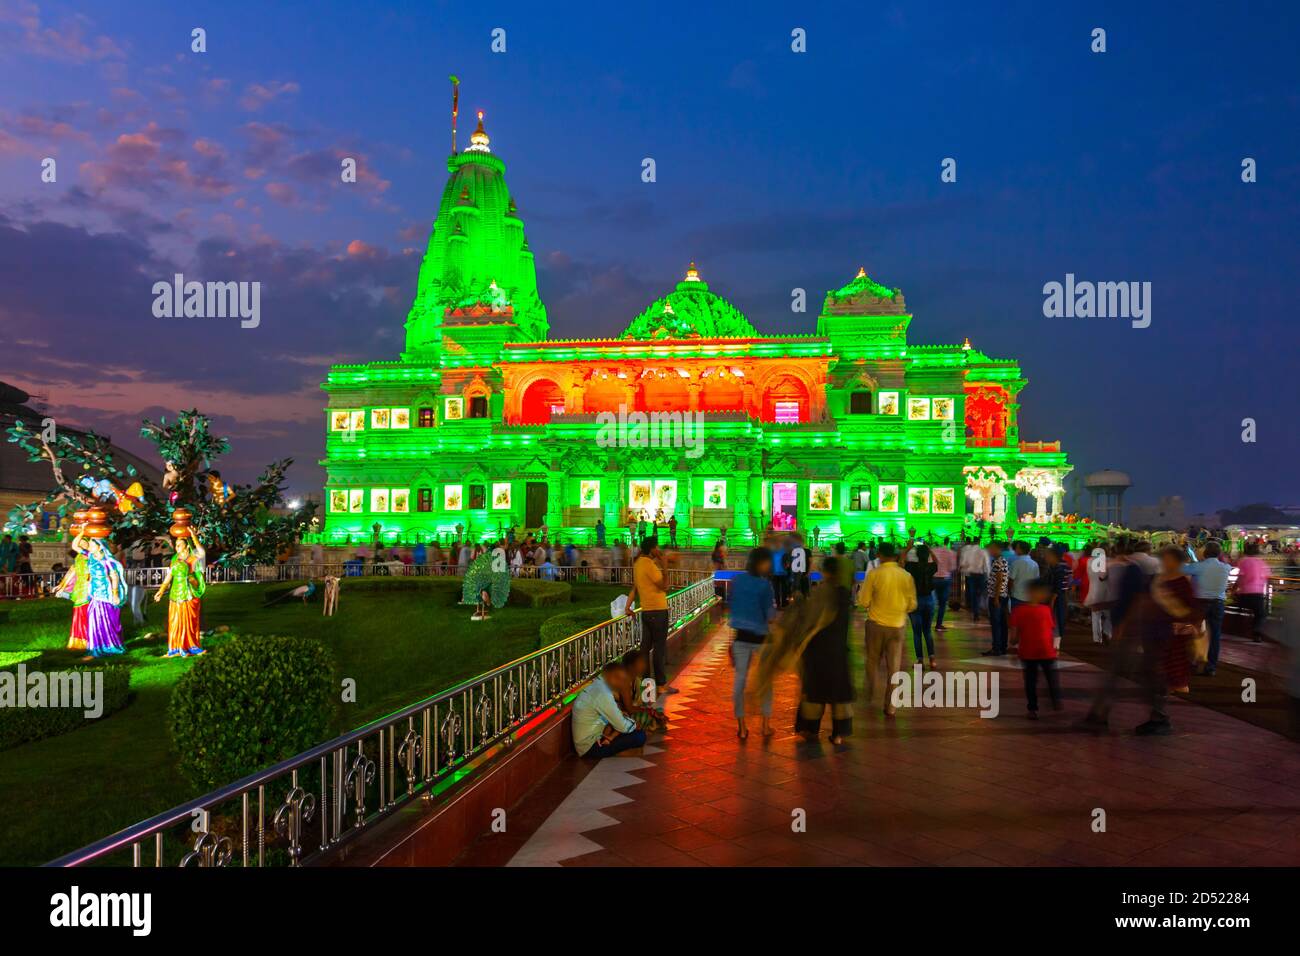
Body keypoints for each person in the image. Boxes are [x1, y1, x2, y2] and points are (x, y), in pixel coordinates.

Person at [791, 557, 854, 743]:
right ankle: (839, 734)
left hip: (818, 651)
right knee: (838, 694)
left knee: (814, 693)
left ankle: (809, 729)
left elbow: (809, 622)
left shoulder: (821, 592)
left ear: (826, 572)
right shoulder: (845, 594)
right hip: (838, 651)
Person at [857, 542, 917, 718]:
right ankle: (890, 706)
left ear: (881, 556)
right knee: (894, 667)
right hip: (897, 626)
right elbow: (913, 604)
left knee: (872, 661)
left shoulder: (875, 574)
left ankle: (870, 692)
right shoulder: (906, 576)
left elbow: (864, 601)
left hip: (876, 624)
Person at [728, 547, 776, 739]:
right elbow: (770, 616)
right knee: (765, 682)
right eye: (767, 562)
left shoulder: (736, 581)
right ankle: (765, 725)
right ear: (760, 563)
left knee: (739, 681)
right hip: (761, 639)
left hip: (740, 637)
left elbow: (732, 608)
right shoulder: (765, 586)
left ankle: (741, 727)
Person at [1009, 578, 1062, 718]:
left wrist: (1013, 646)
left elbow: (1014, 636)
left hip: (1030, 652)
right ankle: (1052, 701)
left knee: (1031, 681)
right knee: (1049, 678)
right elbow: (1051, 630)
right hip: (1043, 652)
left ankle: (1033, 707)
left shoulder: (1019, 611)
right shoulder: (1046, 610)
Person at [627, 537, 674, 695]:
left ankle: (647, 686)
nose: (659, 549)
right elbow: (664, 586)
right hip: (658, 611)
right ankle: (661, 684)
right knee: (659, 649)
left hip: (646, 611)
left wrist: (628, 606)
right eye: (657, 547)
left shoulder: (638, 564)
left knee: (645, 649)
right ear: (653, 549)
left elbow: (635, 588)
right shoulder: (649, 565)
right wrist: (665, 566)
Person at [572, 663, 646, 758]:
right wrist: (634, 725)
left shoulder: (599, 685)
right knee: (640, 736)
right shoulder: (603, 693)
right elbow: (622, 727)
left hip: (593, 739)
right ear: (611, 677)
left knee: (624, 723)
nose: (622, 684)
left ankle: (618, 750)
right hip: (590, 747)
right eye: (620, 680)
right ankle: (617, 753)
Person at [154, 529, 207, 657]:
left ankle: (191, 646)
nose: (176, 547)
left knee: (189, 621)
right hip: (175, 594)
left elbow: (201, 552)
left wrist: (193, 536)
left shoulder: (193, 558)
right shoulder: (175, 558)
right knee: (175, 621)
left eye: (179, 544)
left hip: (189, 594)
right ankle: (175, 648)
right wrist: (161, 591)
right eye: (176, 544)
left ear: (186, 545)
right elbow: (169, 576)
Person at [617, 650, 668, 732]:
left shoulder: (636, 680)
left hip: (629, 712)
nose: (643, 666)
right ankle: (652, 724)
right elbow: (629, 708)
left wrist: (652, 711)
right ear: (631, 667)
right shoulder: (623, 681)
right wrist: (650, 712)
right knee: (647, 718)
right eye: (640, 664)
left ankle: (653, 724)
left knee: (659, 711)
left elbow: (638, 703)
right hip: (620, 714)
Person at [904, 542, 938, 668]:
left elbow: (901, 561)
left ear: (917, 555)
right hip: (929, 600)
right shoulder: (931, 567)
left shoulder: (912, 567)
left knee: (917, 633)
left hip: (916, 601)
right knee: (927, 631)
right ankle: (932, 659)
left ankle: (920, 660)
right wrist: (930, 549)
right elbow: (936, 561)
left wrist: (908, 547)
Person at [1234, 542, 1269, 642]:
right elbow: (1266, 576)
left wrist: (1234, 589)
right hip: (1257, 594)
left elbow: (1239, 577)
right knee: (1261, 614)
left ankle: (1238, 629)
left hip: (1244, 594)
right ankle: (1256, 632)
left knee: (1239, 609)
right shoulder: (1261, 563)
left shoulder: (1243, 562)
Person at [1083, 543, 1113, 645]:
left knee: (1095, 616)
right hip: (1105, 593)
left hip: (1093, 592)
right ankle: (1106, 632)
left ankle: (1097, 638)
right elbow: (1103, 576)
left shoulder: (1090, 561)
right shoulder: (1107, 561)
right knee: (1109, 615)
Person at [984, 541, 1010, 655]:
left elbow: (999, 579)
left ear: (997, 549)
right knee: (1002, 623)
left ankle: (997, 648)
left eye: (991, 548)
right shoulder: (1002, 560)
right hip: (1002, 595)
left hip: (997, 596)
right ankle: (1002, 646)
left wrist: (995, 598)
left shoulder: (998, 562)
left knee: (996, 623)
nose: (989, 551)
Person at [1043, 546, 1072, 644]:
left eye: (1047, 555)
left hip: (1056, 599)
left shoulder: (1059, 569)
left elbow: (1058, 589)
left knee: (1056, 622)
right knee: (1056, 621)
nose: (1045, 557)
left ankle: (1055, 646)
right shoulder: (1058, 567)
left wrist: (1051, 602)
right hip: (1058, 598)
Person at [959, 536, 990, 622]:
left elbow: (963, 563)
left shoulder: (968, 552)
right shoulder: (983, 551)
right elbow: (987, 564)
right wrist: (988, 575)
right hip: (981, 575)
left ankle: (975, 612)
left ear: (973, 542)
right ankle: (981, 610)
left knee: (973, 594)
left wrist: (965, 569)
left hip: (971, 575)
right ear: (979, 542)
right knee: (981, 594)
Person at [932, 538, 956, 631]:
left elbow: (930, 564)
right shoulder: (951, 553)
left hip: (934, 579)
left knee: (933, 603)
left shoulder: (933, 551)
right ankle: (938, 624)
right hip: (945, 579)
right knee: (942, 604)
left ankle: (928, 623)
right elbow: (952, 567)